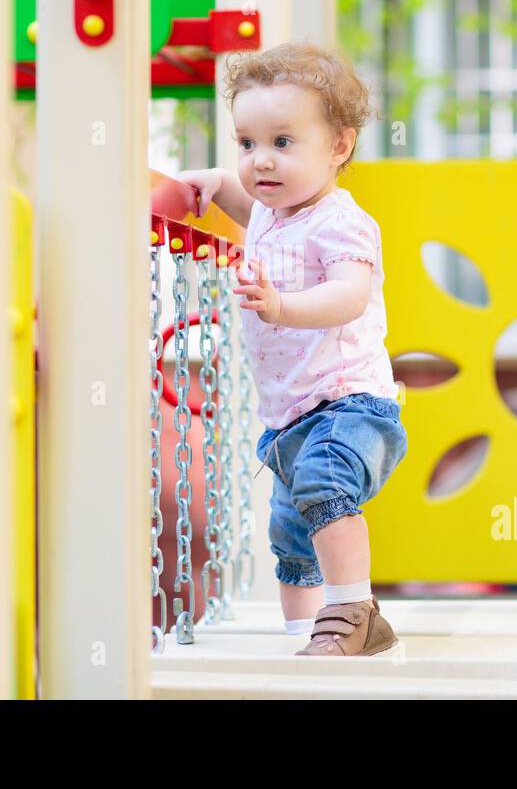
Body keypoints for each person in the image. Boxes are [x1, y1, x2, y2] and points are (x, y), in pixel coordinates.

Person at [176, 41, 407, 657]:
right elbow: (242, 198)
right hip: (290, 417)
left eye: (283, 143)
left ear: (339, 146)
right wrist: (213, 182)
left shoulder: (341, 221)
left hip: (351, 404)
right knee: (290, 531)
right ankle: (305, 639)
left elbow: (349, 295)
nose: (261, 162)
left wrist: (281, 307)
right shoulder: (271, 215)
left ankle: (351, 610)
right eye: (247, 143)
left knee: (324, 484)